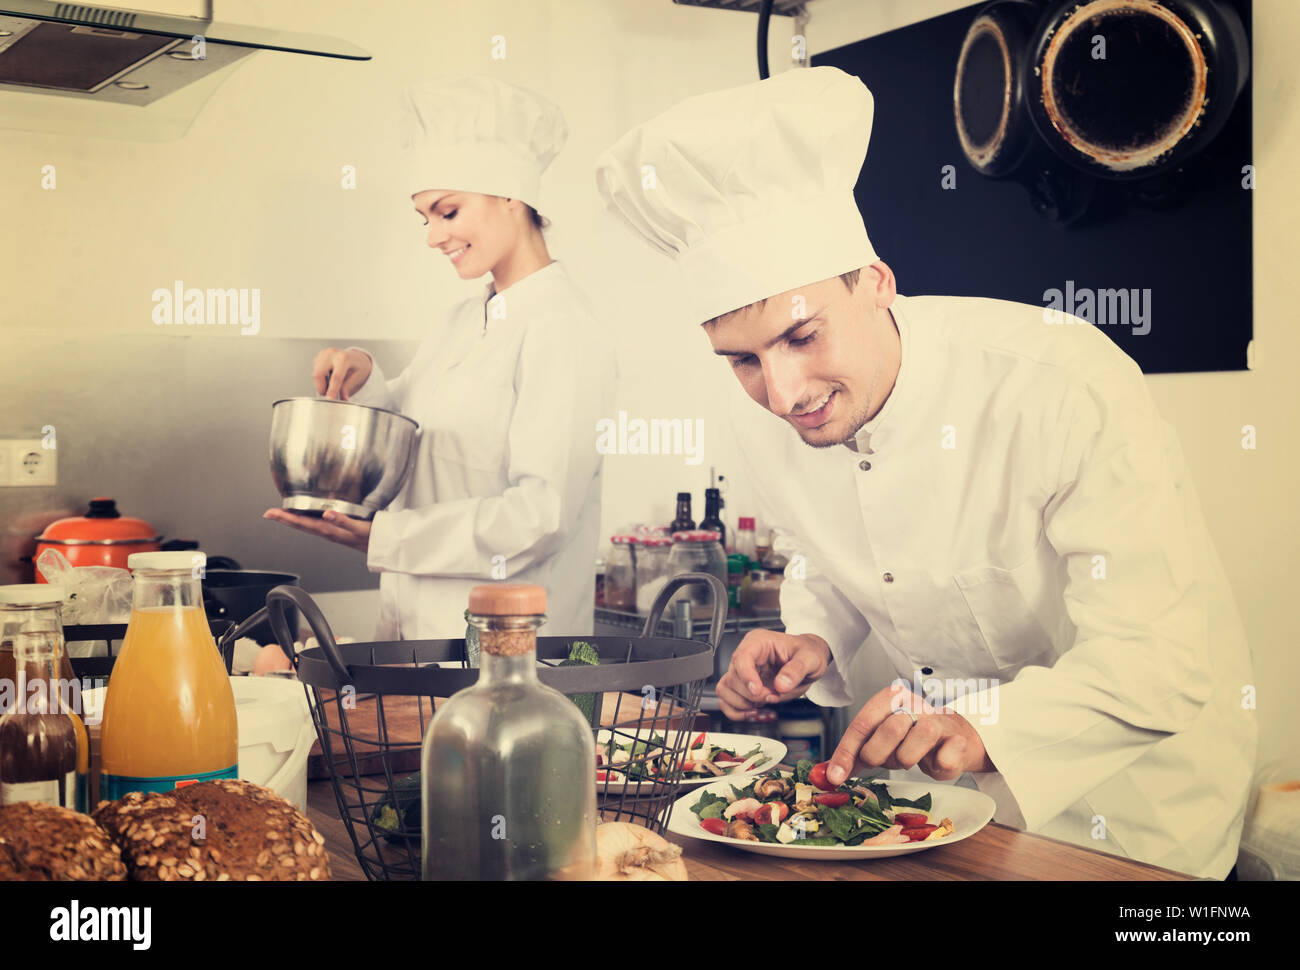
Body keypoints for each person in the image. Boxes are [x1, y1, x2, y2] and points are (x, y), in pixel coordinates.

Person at [595, 65, 1256, 879]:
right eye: (741, 359)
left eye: (803, 337)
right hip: (940, 810)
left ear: (876, 282)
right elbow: (834, 556)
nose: (783, 392)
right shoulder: (758, 414)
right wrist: (813, 636)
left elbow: (1162, 657)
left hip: (1134, 818)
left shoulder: (1060, 385)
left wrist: (983, 723)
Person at [266, 76, 615, 639]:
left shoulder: (563, 330)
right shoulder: (461, 321)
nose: (432, 237)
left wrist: (388, 537)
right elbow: (416, 436)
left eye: (447, 212)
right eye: (424, 218)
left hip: (510, 655)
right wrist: (364, 378)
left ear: (511, 196)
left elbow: (540, 517)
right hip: (419, 637)